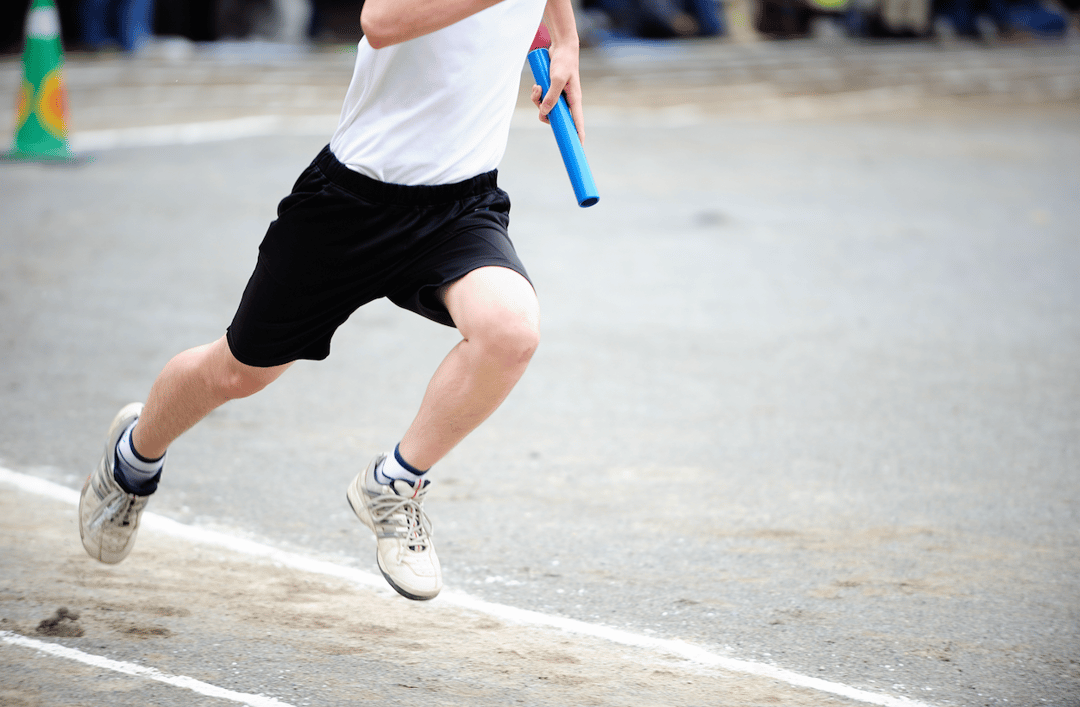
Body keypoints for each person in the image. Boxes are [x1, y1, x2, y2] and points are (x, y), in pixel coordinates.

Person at [77, 0, 585, 602]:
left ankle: (393, 483)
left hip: (459, 205)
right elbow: (382, 20)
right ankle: (132, 461)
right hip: (349, 202)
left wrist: (566, 37)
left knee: (510, 330)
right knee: (239, 372)